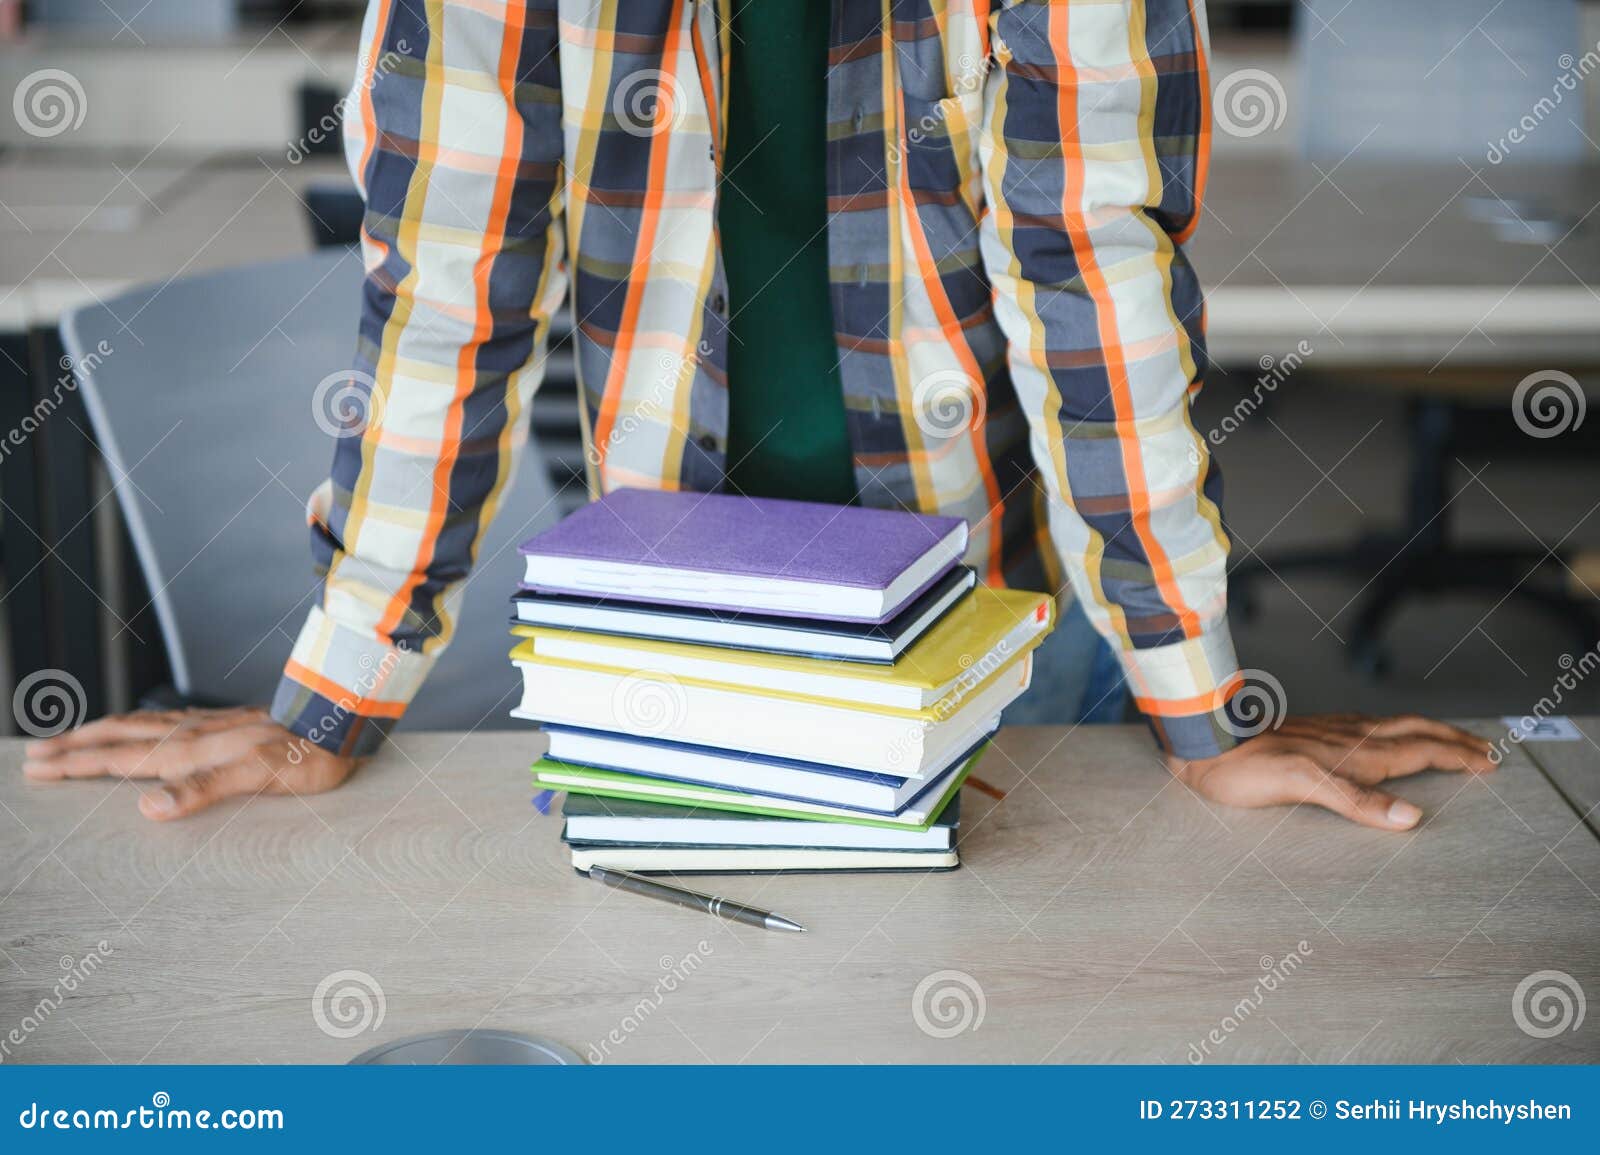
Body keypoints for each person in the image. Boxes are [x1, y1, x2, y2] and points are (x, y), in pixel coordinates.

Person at [24, 0, 1493, 826]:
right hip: (680, 665)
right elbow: (452, 289)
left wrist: (1199, 700)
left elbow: (1091, 274)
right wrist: (331, 697)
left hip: (1012, 655)